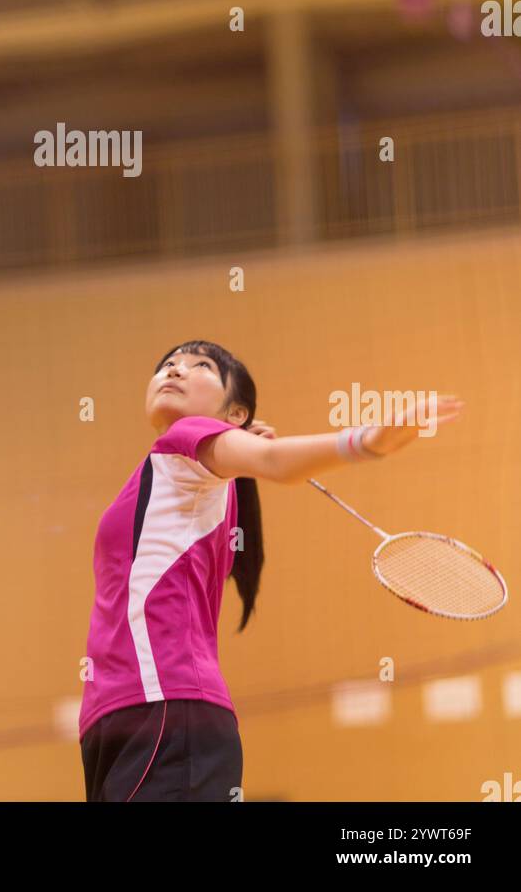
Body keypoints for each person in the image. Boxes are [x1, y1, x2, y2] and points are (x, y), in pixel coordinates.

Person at [78, 339, 461, 802]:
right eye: (167, 365)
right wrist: (236, 448)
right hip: (120, 714)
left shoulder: (183, 441)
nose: (175, 370)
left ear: (234, 412)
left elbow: (276, 463)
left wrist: (366, 442)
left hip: (163, 707)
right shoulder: (175, 475)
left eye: (200, 366)